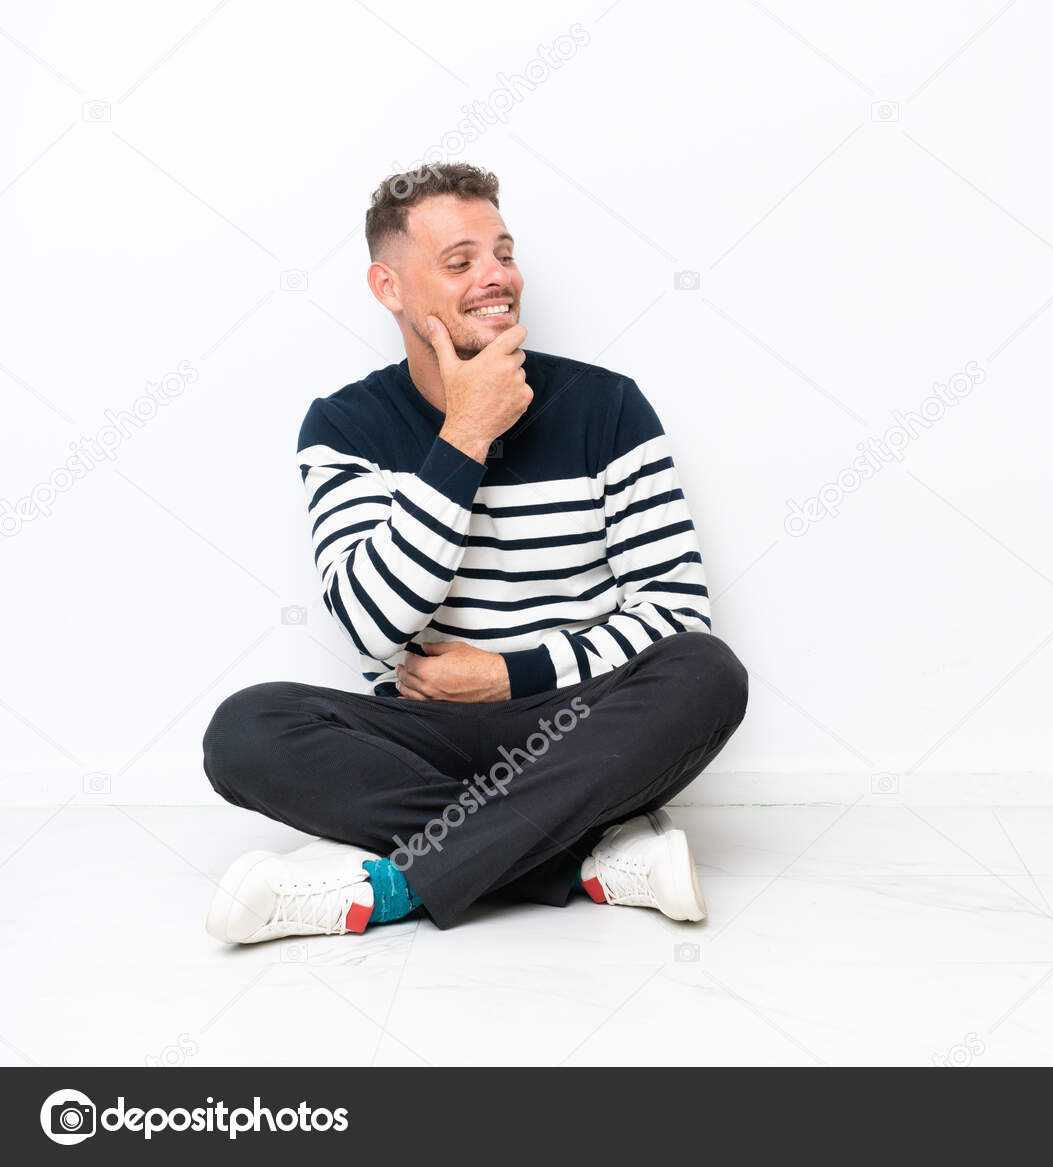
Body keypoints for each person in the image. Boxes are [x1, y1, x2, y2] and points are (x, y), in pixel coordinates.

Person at [200, 163, 748, 944]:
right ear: (389, 288)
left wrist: (507, 675)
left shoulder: (608, 406)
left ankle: (393, 885)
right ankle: (585, 856)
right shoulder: (345, 426)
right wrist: (465, 436)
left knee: (707, 672)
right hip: (423, 732)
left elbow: (675, 614)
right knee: (244, 729)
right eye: (460, 262)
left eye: (503, 252)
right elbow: (372, 625)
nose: (497, 278)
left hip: (577, 725)